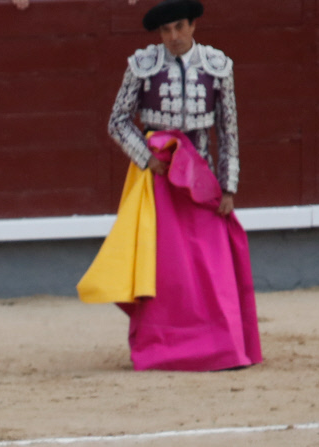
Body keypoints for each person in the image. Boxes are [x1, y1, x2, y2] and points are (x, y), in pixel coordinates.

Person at [80, 0, 261, 371]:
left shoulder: (217, 66)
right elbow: (117, 122)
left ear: (194, 25)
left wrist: (228, 188)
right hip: (157, 184)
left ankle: (224, 348)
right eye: (165, 30)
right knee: (163, 270)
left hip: (202, 181)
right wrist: (148, 159)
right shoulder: (143, 66)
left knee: (211, 270)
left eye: (179, 27)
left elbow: (228, 131)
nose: (173, 37)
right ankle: (161, 347)